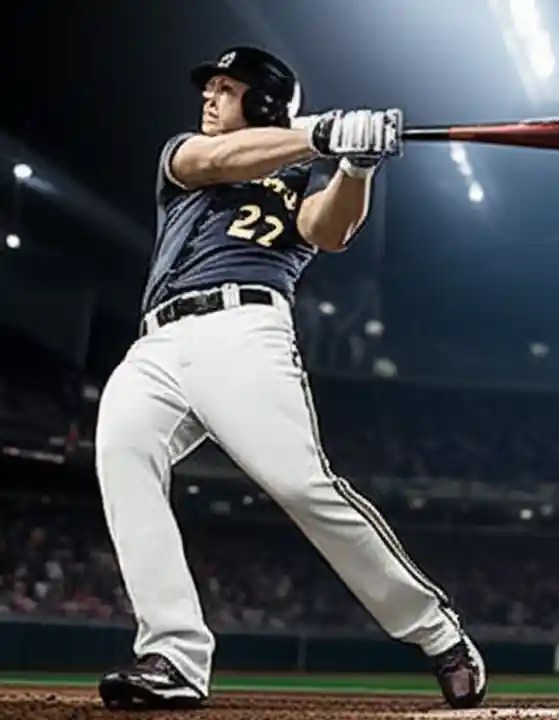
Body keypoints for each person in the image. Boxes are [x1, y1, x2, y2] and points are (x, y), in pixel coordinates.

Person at [93, 46, 485, 710]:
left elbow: (327, 231)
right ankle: (175, 654)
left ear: (267, 102)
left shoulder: (299, 174)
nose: (210, 97)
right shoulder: (188, 152)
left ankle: (436, 630)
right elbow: (211, 162)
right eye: (209, 87)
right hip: (157, 341)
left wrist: (355, 165)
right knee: (121, 456)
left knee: (301, 487)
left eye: (228, 88)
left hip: (243, 331)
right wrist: (324, 132)